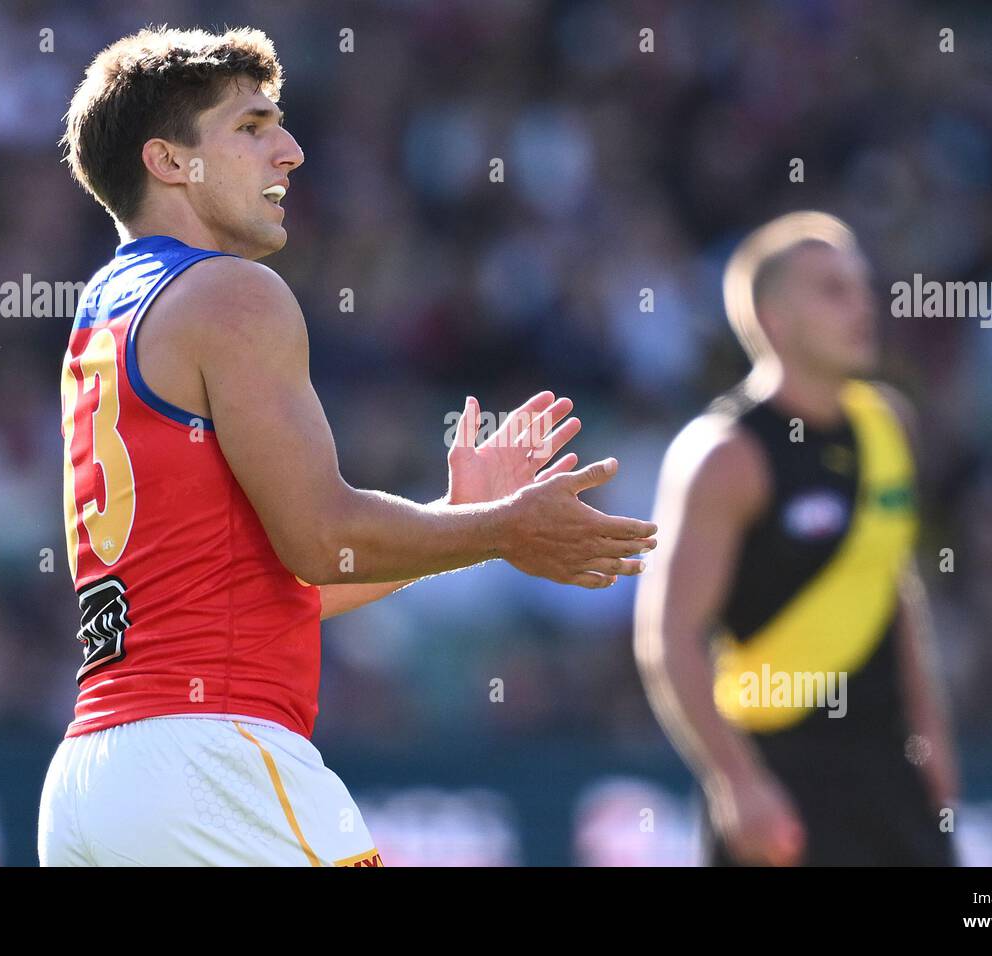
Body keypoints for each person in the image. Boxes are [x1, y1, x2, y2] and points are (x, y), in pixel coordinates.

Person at [39, 26, 657, 867]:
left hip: (93, 783)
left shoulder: (103, 316)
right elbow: (323, 540)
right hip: (214, 765)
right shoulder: (230, 292)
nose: (289, 152)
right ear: (169, 161)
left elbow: (270, 584)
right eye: (252, 128)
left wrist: (460, 521)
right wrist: (506, 528)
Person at [634, 211, 956, 866]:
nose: (862, 306)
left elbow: (894, 587)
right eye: (833, 291)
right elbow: (668, 638)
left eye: (862, 287)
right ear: (774, 318)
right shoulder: (725, 456)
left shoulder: (891, 424)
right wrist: (738, 782)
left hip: (890, 776)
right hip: (782, 774)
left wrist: (932, 740)